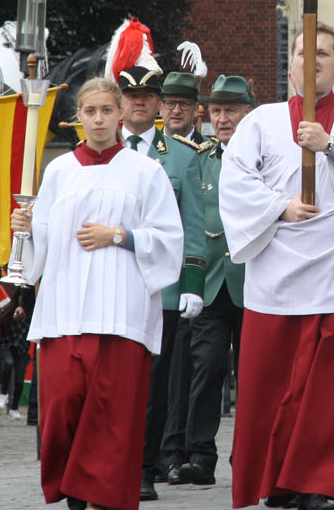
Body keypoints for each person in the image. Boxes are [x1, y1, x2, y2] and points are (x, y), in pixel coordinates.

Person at [220, 22, 334, 510]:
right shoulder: (260, 120)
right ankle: (276, 481)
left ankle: (318, 482)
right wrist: (279, 207)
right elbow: (233, 183)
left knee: (328, 391)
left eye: (323, 53)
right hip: (274, 271)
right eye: (303, 52)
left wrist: (333, 146)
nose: (312, 60)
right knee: (271, 384)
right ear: (291, 63)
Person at [13, 77, 184, 510]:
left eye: (107, 110)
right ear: (79, 118)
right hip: (65, 308)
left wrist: (120, 235)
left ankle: (102, 495)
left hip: (119, 308)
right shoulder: (59, 171)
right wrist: (28, 231)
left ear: (120, 115)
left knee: (111, 411)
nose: (99, 119)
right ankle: (74, 485)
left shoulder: (146, 172)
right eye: (91, 112)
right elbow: (43, 241)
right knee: (63, 407)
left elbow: (169, 239)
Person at [111, 65, 208, 502]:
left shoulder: (184, 156)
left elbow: (192, 223)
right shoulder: (100, 151)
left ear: (158, 101)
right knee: (113, 381)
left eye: (148, 95)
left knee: (154, 385)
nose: (139, 102)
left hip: (161, 291)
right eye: (130, 95)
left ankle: (145, 468)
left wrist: (192, 281)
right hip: (111, 285)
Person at [178, 75, 253, 487]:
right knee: (206, 367)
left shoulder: (265, 155)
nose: (223, 119)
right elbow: (192, 224)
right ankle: (200, 454)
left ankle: (248, 456)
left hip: (251, 280)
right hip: (209, 283)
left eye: (232, 111)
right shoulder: (200, 158)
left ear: (247, 113)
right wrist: (191, 281)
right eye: (218, 111)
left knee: (252, 374)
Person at [0, 285, 34, 419]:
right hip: (7, 346)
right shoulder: (8, 311)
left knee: (19, 380)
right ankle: (3, 394)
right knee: (8, 363)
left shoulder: (31, 315)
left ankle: (14, 407)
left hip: (22, 349)